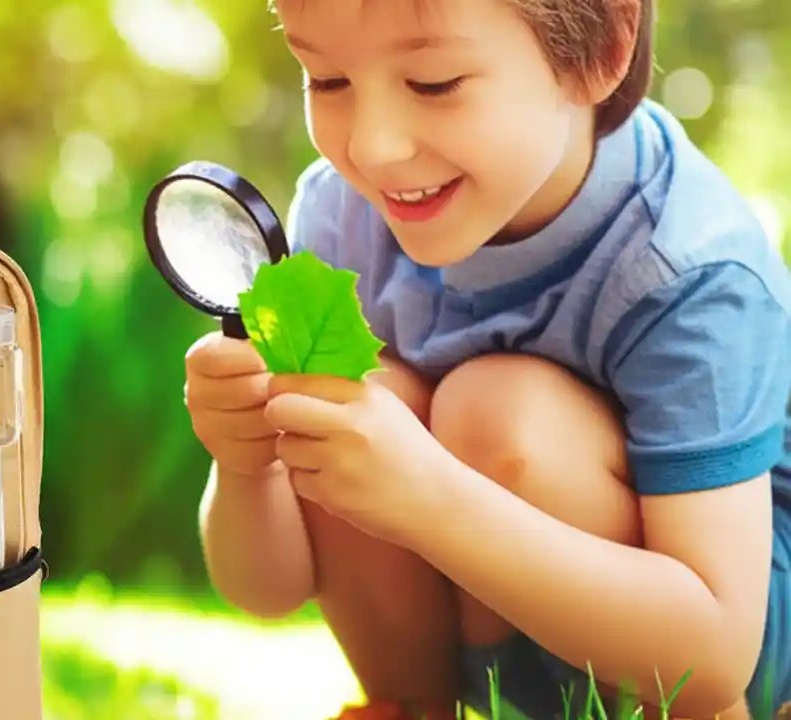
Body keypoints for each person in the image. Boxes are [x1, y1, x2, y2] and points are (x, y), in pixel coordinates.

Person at [183, 0, 791, 717]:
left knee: (497, 412)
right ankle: (413, 707)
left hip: (715, 649)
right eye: (328, 79)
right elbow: (267, 591)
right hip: (482, 630)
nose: (374, 148)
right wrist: (249, 463)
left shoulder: (687, 268)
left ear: (601, 50)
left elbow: (720, 656)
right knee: (350, 403)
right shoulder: (342, 216)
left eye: (435, 82)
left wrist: (426, 495)